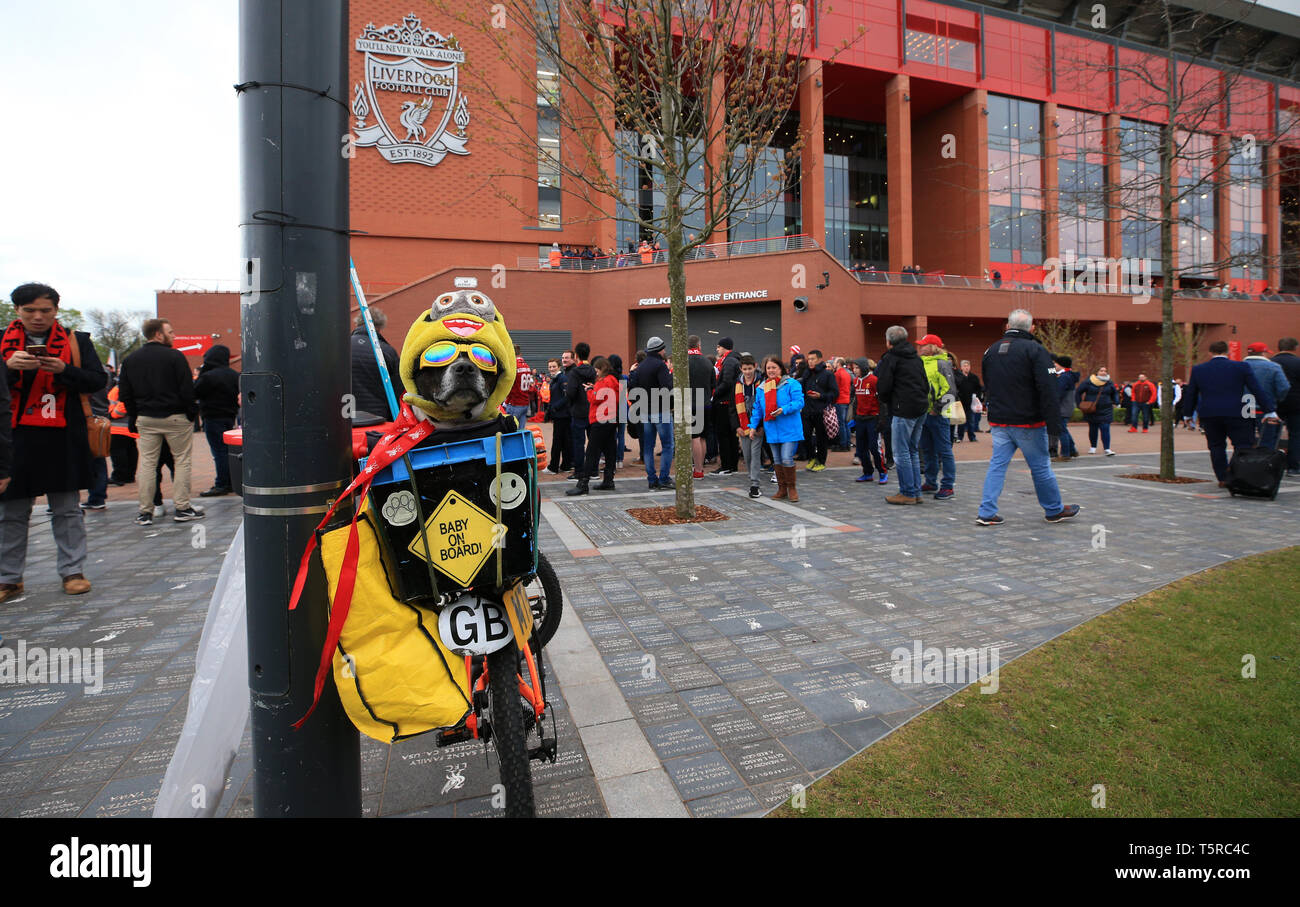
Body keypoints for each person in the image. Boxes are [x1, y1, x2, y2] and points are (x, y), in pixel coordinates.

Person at [0, 283, 105, 599]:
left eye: (45, 310)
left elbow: (99, 380)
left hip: (62, 437)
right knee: (11, 512)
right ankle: (9, 577)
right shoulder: (2, 341)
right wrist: (7, 369)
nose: (37, 317)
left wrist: (64, 370)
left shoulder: (76, 340)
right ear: (17, 311)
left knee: (67, 509)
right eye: (29, 310)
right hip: (14, 439)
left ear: (56, 310)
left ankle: (73, 571)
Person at [975, 309, 1080, 526]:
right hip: (1028, 421)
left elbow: (988, 383)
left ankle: (986, 511)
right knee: (1040, 467)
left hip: (999, 420)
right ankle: (1053, 509)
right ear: (1032, 328)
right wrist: (1053, 424)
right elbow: (1048, 388)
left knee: (997, 465)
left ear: (1007, 326)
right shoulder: (1035, 350)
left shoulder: (991, 351)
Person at [117, 318, 204, 525]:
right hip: (175, 416)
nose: (173, 336)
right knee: (181, 461)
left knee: (147, 463)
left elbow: (125, 392)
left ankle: (145, 511)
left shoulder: (130, 360)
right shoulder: (175, 357)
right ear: (158, 334)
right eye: (170, 332)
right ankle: (182, 507)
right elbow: (186, 389)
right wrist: (192, 412)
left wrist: (133, 415)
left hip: (145, 417)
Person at [1184, 341, 1276, 487]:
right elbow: (1256, 389)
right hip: (1237, 412)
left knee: (1216, 446)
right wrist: (1269, 410)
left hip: (1210, 413)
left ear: (1210, 352)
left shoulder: (1198, 369)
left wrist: (1187, 414)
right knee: (1243, 445)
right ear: (1227, 352)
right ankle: (1238, 474)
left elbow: (1191, 393)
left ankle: (1222, 478)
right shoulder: (1241, 367)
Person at [875, 325, 929, 505]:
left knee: (901, 452)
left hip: (903, 408)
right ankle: (914, 491)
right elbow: (924, 382)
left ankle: (907, 492)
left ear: (889, 341)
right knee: (912, 449)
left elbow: (883, 385)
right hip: (920, 406)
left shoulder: (891, 358)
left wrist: (885, 399)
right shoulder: (915, 358)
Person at [749, 356, 804, 501]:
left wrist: (783, 409)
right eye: (768, 368)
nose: (771, 370)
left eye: (774, 367)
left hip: (790, 428)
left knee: (786, 458)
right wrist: (753, 426)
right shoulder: (762, 387)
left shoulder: (791, 384)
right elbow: (758, 410)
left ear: (781, 368)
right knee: (777, 460)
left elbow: (799, 402)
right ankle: (782, 489)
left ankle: (792, 488)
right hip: (772, 429)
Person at [566, 357, 619, 495]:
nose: (595, 373)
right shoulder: (613, 380)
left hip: (600, 419)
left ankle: (583, 483)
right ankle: (609, 480)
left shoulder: (603, 381)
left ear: (601, 369)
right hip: (611, 419)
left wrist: (589, 390)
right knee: (609, 450)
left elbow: (595, 398)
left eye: (596, 370)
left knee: (591, 451)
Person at [193, 344, 240, 496]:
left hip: (212, 416)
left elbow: (195, 393)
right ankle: (231, 481)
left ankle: (222, 483)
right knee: (227, 451)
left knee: (218, 451)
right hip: (229, 416)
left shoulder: (208, 376)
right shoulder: (234, 375)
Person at [630, 335, 674, 490]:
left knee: (648, 446)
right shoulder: (660, 366)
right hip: (660, 410)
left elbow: (633, 389)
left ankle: (651, 479)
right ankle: (664, 478)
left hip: (645, 411)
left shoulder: (640, 366)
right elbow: (667, 388)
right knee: (668, 445)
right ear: (660, 350)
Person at [917, 334, 957, 499]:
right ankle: (931, 481)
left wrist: (938, 410)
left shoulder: (941, 364)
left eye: (923, 345)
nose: (920, 348)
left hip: (937, 414)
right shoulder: (923, 363)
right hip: (925, 413)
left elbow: (949, 391)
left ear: (932, 347)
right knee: (928, 450)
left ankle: (947, 485)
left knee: (944, 450)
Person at [349, 308, 400, 419]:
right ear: (380, 326)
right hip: (377, 418)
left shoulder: (339, 347)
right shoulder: (387, 351)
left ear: (357, 322)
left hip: (344, 415)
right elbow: (398, 391)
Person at [1242, 342, 1290, 448]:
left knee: (1244, 442)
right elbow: (1284, 387)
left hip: (1244, 409)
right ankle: (1264, 463)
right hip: (1266, 409)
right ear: (1263, 353)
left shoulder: (1239, 366)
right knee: (1267, 442)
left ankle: (1244, 463)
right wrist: (1277, 400)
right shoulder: (1273, 367)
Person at [799, 349, 837, 471]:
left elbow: (835, 393)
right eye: (808, 359)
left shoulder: (828, 374)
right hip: (807, 410)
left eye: (813, 359)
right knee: (805, 435)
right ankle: (812, 458)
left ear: (820, 359)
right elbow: (802, 390)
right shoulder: (806, 373)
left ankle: (821, 461)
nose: (810, 362)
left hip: (822, 411)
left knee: (821, 438)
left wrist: (821, 396)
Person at [851, 358, 887, 484]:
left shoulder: (874, 380)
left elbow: (882, 401)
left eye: (857, 368)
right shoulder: (855, 381)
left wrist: (882, 419)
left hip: (872, 418)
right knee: (861, 449)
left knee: (874, 447)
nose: (854, 370)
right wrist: (855, 416)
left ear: (864, 368)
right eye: (853, 368)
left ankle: (882, 471)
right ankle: (867, 472)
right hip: (860, 419)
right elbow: (856, 400)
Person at [710, 337, 741, 476]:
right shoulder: (732, 360)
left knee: (724, 436)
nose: (717, 349)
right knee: (730, 436)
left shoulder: (728, 361)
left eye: (718, 347)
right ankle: (731, 465)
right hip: (728, 403)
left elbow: (727, 381)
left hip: (724, 403)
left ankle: (727, 465)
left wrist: (714, 393)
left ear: (724, 347)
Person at [82, 365, 112, 510]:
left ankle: (62, 500)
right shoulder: (103, 371)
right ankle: (97, 497)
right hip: (100, 416)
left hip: (87, 416)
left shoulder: (83, 370)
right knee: (98, 456)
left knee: (73, 457)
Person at [733, 354, 764, 497]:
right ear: (741, 369)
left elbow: (765, 406)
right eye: (744, 369)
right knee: (747, 455)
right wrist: (736, 426)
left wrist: (760, 426)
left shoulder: (762, 382)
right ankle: (752, 476)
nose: (747, 372)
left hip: (757, 426)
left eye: (750, 368)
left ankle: (754, 484)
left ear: (755, 366)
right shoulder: (737, 384)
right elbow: (732, 408)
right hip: (742, 425)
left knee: (755, 453)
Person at [565, 343, 597, 475]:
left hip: (578, 411)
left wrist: (571, 404)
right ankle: (593, 470)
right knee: (593, 442)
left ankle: (579, 471)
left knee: (578, 443)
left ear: (576, 355)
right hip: (592, 409)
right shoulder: (594, 371)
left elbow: (571, 392)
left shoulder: (575, 372)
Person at [686, 335, 714, 478]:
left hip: (690, 404)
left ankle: (697, 469)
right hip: (705, 403)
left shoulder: (683, 362)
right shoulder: (708, 362)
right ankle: (700, 468)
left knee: (694, 437)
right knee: (702, 437)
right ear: (699, 345)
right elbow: (713, 384)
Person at [1075, 365, 1119, 455]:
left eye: (1105, 371)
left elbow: (1115, 393)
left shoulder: (1109, 382)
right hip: (1092, 409)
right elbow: (1078, 392)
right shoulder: (1088, 382)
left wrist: (1116, 401)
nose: (1104, 372)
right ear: (1096, 372)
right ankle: (1093, 447)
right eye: (1101, 371)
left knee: (1105, 428)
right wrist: (1079, 404)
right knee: (1093, 428)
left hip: (1106, 409)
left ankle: (1107, 448)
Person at [1272, 338, 1300, 476]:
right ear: (1295, 348)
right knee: (1296, 434)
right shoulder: (1298, 362)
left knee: (1272, 434)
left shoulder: (1271, 362)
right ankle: (1293, 467)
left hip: (1275, 403)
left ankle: (1272, 463)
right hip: (1296, 403)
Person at [546, 354, 572, 475]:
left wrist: (555, 407)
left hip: (562, 415)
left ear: (559, 367)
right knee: (564, 441)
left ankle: (553, 467)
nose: (551, 369)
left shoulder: (562, 379)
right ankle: (566, 465)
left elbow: (566, 397)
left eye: (554, 366)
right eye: (550, 367)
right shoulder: (555, 380)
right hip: (559, 415)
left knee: (558, 441)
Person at [1051, 355, 1080, 461]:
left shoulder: (1064, 377)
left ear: (1061, 365)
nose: (1054, 365)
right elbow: (1049, 372)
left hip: (1062, 408)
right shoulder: (1069, 375)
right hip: (1067, 407)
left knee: (1061, 431)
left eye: (1055, 364)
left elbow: (1058, 394)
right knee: (1064, 429)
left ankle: (1065, 454)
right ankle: (1072, 450)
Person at [503, 343, 535, 427]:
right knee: (521, 431)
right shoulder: (527, 366)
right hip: (525, 403)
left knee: (510, 430)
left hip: (515, 403)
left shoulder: (513, 366)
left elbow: (508, 385)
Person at [954, 360, 983, 442]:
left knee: (971, 421)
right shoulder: (959, 377)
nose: (966, 368)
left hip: (971, 402)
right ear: (961, 367)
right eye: (965, 366)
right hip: (961, 402)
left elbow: (978, 388)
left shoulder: (974, 377)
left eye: (968, 366)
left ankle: (972, 437)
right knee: (961, 421)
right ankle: (960, 436)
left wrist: (977, 397)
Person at [833, 357, 853, 450]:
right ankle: (847, 443)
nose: (833, 363)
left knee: (841, 423)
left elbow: (835, 388)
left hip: (840, 400)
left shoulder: (838, 373)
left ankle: (843, 444)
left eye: (835, 362)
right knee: (845, 423)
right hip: (846, 399)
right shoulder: (847, 373)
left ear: (838, 364)